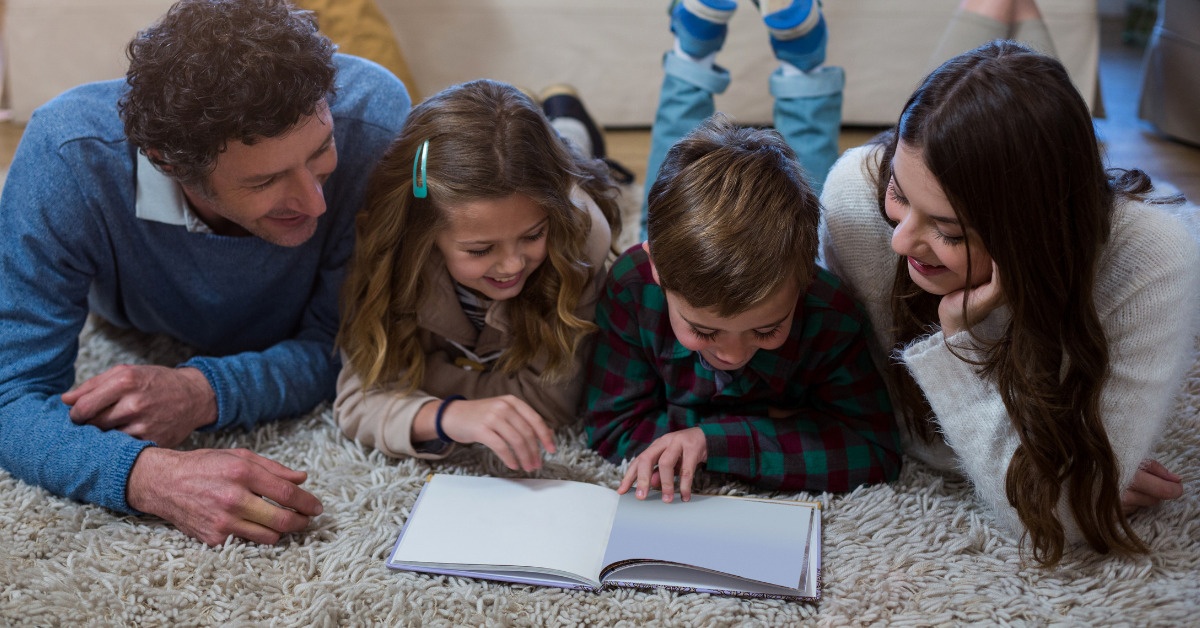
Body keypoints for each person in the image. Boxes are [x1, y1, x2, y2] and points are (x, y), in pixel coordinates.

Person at [0, 0, 410, 546]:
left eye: (321, 151)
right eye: (265, 182)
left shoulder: (373, 117)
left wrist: (203, 391)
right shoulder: (68, 156)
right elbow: (11, 393)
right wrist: (147, 476)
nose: (315, 203)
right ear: (166, 163)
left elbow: (343, 344)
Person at [819, 41, 1199, 567]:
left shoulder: (1154, 259)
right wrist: (1061, 471)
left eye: (948, 231)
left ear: (1032, 234)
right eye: (900, 194)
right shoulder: (855, 199)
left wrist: (959, 347)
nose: (901, 241)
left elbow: (1054, 520)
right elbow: (884, 422)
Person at [584, 115, 901, 503]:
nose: (732, 355)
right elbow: (609, 430)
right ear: (656, 269)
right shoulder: (631, 287)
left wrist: (710, 440)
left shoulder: (831, 310)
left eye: (766, 330)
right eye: (703, 331)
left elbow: (874, 452)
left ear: (805, 282)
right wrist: (776, 427)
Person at [335, 79, 621, 472]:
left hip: (568, 174)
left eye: (533, 235)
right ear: (425, 235)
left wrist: (424, 374)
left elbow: (549, 405)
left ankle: (568, 118)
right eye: (480, 250)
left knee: (574, 153)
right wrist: (445, 417)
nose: (512, 265)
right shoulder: (394, 248)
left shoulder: (579, 239)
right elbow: (356, 399)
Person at [640, 0, 843, 236]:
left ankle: (801, 59)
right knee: (659, 226)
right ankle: (694, 46)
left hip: (788, 269)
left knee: (813, 239)